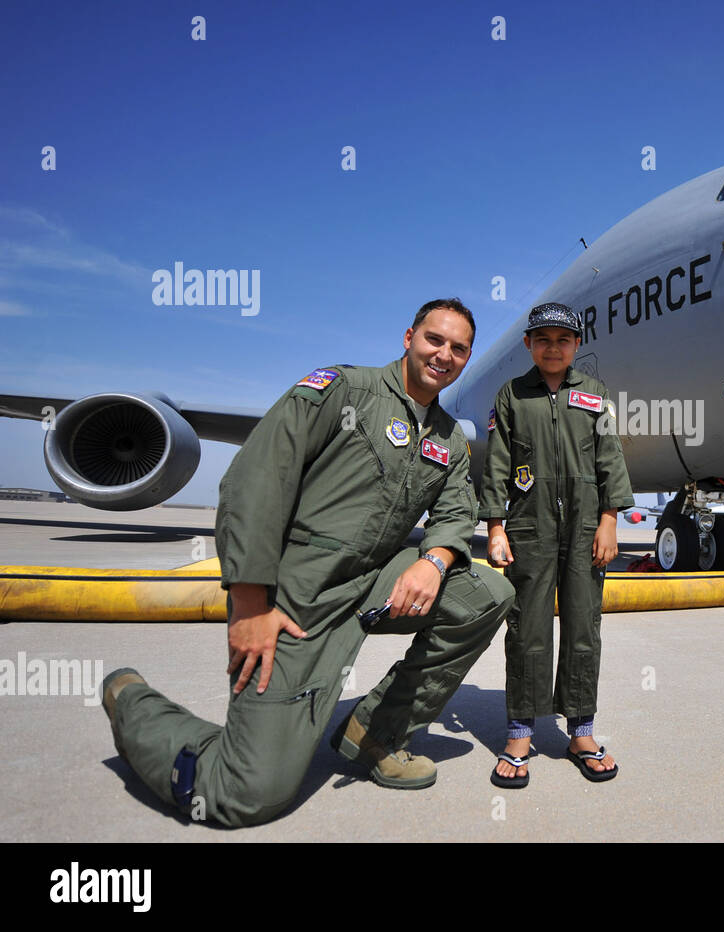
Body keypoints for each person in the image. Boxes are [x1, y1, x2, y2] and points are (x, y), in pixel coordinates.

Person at [100, 299, 515, 828]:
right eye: (435, 339)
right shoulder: (342, 390)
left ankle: (375, 733)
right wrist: (250, 604)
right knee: (245, 793)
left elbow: (458, 514)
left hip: (371, 584)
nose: (444, 355)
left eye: (459, 349)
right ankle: (132, 698)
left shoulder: (448, 438)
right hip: (297, 597)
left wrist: (433, 561)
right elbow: (255, 480)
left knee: (486, 594)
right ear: (409, 336)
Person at [481, 302, 634, 788]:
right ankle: (521, 731)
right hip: (529, 526)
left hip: (587, 530)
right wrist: (495, 526)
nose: (552, 347)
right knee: (527, 629)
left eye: (562, 339)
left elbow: (610, 458)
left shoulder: (595, 395)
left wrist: (610, 519)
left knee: (584, 626)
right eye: (543, 339)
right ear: (528, 344)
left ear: (576, 345)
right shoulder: (512, 397)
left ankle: (581, 731)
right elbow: (497, 465)